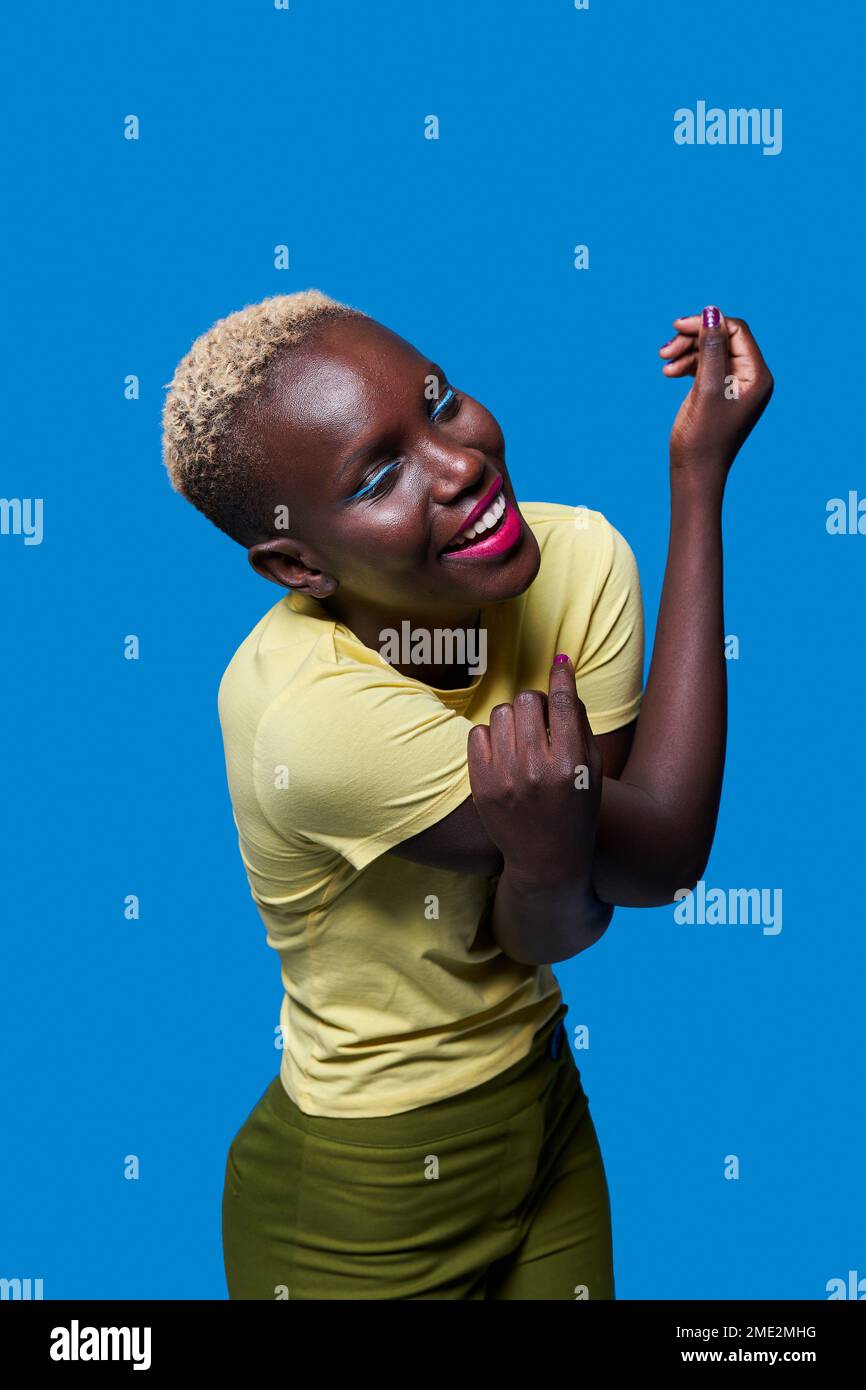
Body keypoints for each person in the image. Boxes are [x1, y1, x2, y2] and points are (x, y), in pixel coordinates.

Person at [161, 290, 773, 1299]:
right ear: (294, 562)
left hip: (542, 1111)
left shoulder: (575, 559)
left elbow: (560, 918)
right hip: (359, 1196)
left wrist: (694, 472)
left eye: (438, 401)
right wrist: (698, 487)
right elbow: (661, 849)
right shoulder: (309, 720)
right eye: (379, 475)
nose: (460, 464)